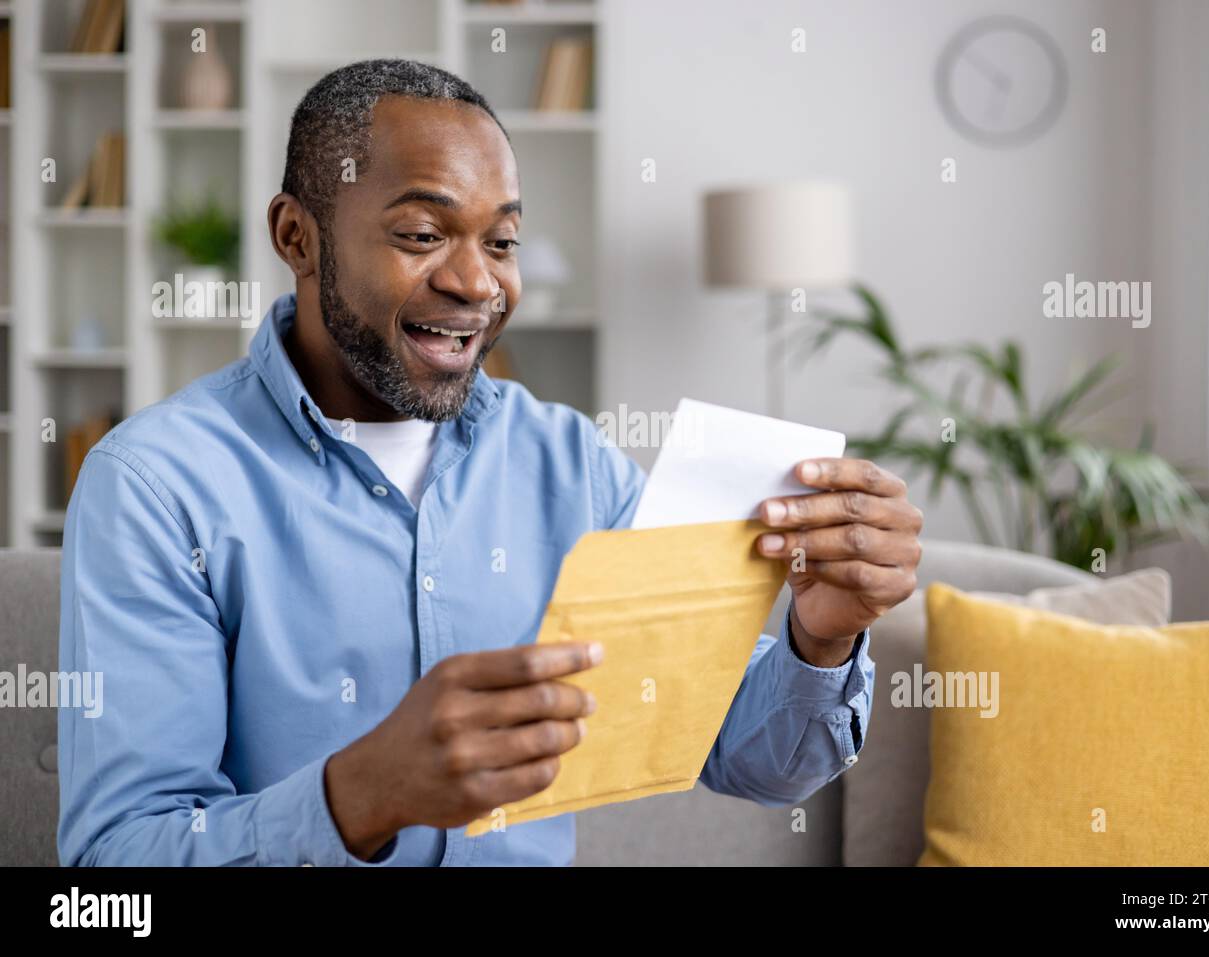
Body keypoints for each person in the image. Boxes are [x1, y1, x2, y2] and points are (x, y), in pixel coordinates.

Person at [57, 60, 922, 866]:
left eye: (501, 242)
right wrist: (360, 794)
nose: (476, 283)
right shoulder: (155, 485)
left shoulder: (570, 462)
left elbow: (742, 752)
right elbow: (113, 873)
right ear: (298, 236)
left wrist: (824, 634)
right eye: (424, 233)